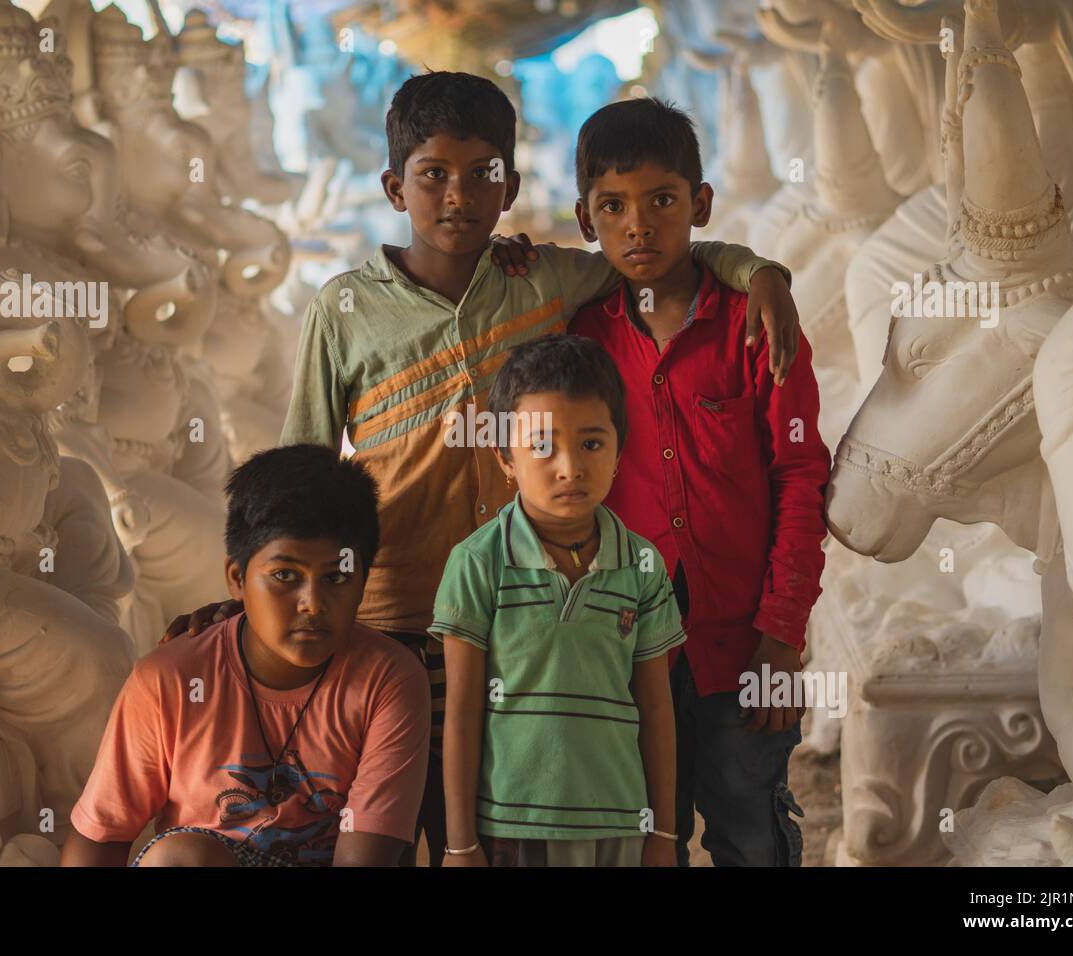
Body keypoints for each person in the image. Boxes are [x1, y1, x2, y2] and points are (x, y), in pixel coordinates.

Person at [163, 70, 802, 865]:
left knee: (507, 816)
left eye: (482, 176)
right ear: (396, 187)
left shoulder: (543, 277)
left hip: (522, 616)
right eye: (433, 175)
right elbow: (303, 471)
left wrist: (759, 272)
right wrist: (246, 597)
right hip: (395, 620)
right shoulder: (345, 309)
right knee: (400, 818)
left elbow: (658, 251)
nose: (458, 196)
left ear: (512, 187)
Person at [568, 97, 832, 866]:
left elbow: (799, 476)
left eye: (662, 200)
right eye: (612, 207)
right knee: (648, 837)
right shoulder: (580, 337)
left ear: (701, 204)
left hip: (746, 644)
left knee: (754, 830)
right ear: (587, 223)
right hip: (623, 655)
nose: (639, 226)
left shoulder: (758, 326)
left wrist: (782, 636)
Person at [61, 445, 429, 867]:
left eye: (336, 578)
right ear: (237, 579)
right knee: (179, 858)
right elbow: (100, 836)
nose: (312, 603)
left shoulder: (389, 681)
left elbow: (364, 861)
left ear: (364, 580)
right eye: (285, 576)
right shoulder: (170, 680)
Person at [432, 334, 684, 867]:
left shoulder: (642, 565)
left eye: (591, 443)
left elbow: (657, 707)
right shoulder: (478, 563)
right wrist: (459, 844)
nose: (569, 467)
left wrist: (663, 834)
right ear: (504, 456)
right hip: (512, 827)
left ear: (620, 450)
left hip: (619, 821)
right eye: (541, 446)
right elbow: (462, 710)